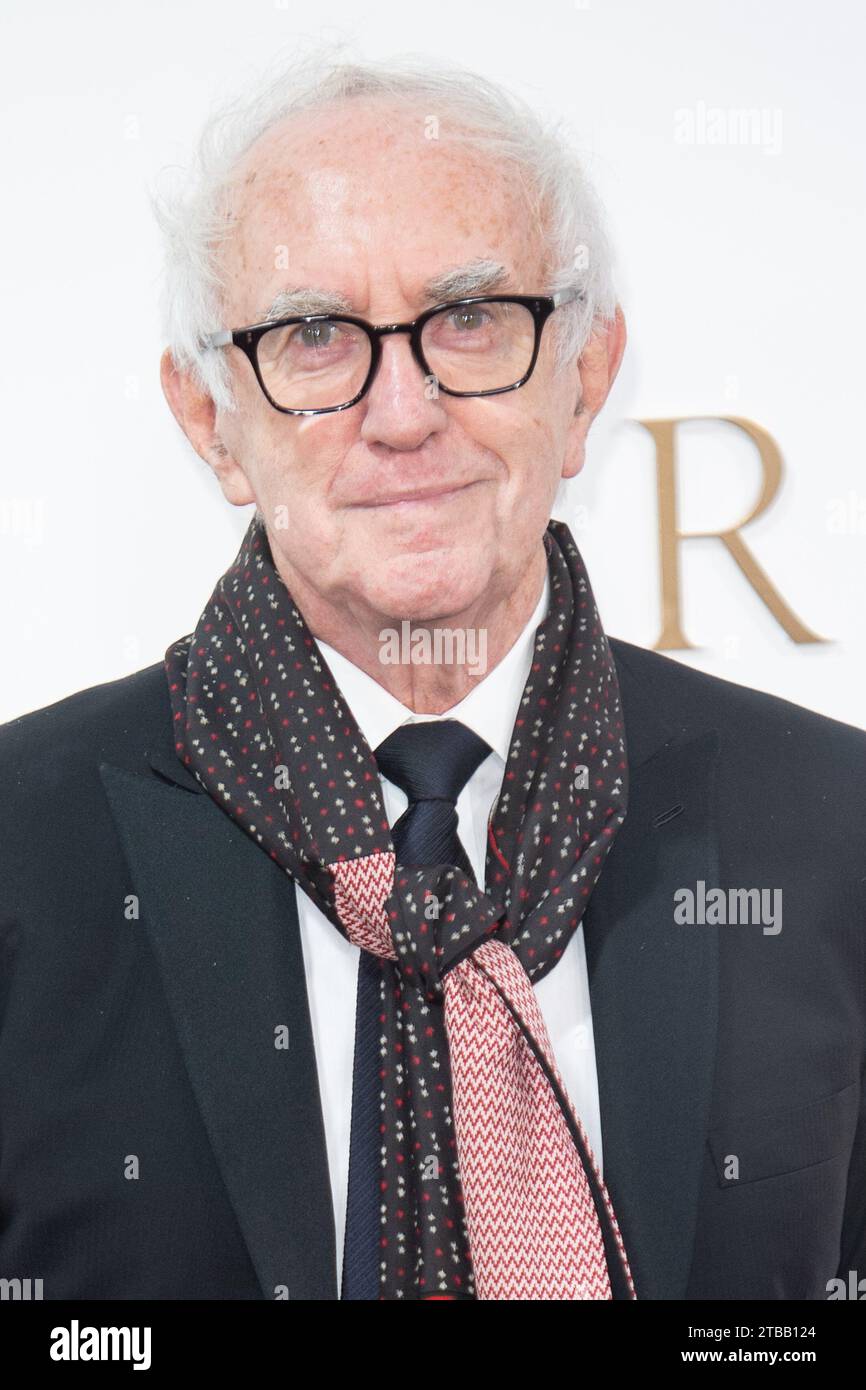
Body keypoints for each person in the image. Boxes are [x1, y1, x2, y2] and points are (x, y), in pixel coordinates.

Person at [1, 51, 864, 1302]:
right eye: (313, 335)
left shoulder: (831, 824)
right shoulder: (23, 845)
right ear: (209, 420)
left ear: (584, 377)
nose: (403, 414)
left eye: (468, 319)